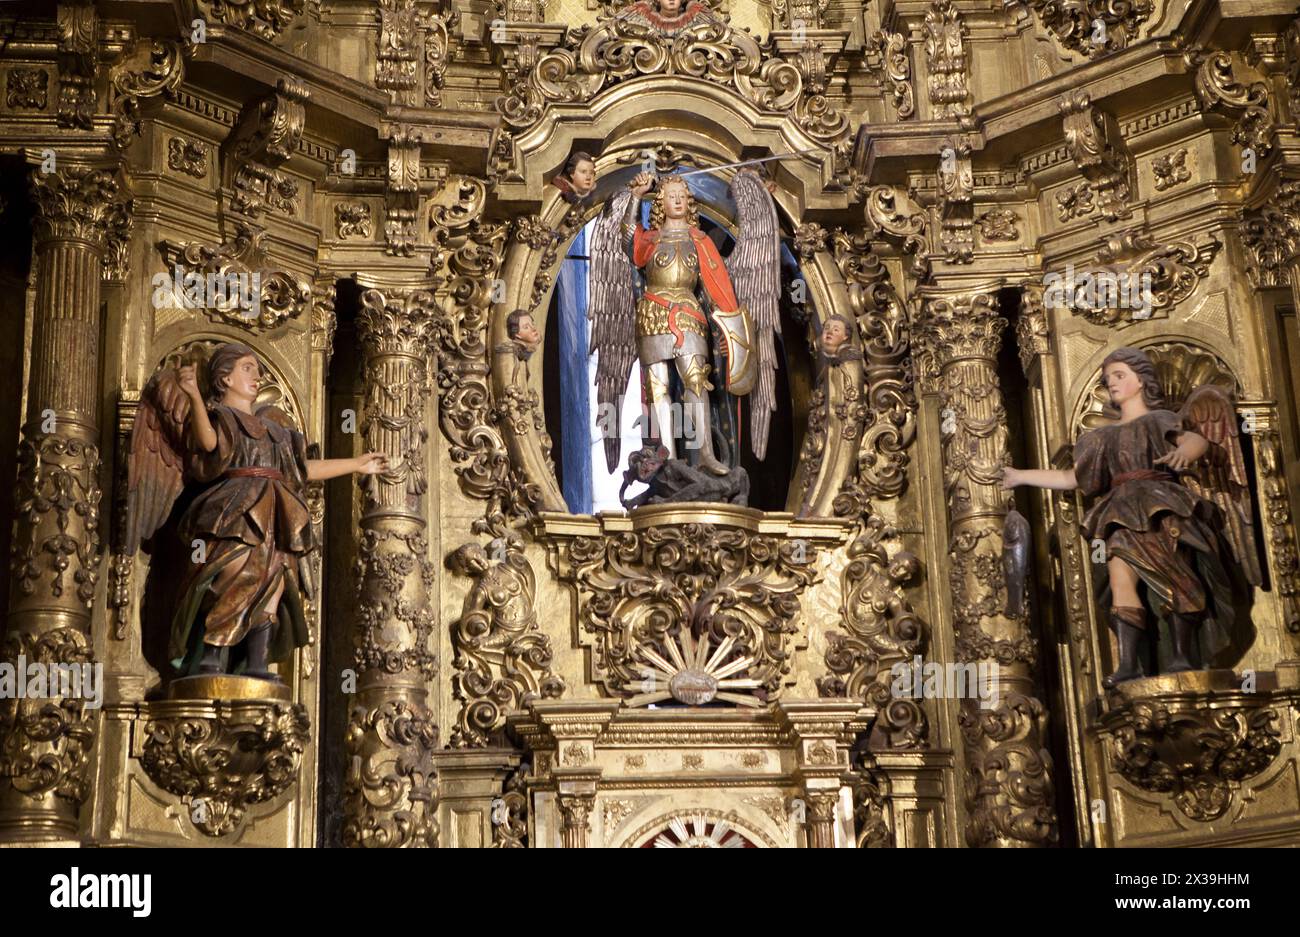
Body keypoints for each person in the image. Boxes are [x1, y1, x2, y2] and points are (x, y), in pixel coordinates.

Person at [1001, 346, 1246, 687]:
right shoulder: (1100, 437)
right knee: (1119, 582)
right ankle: (1129, 663)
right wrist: (1020, 476)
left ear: (1141, 381)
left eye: (1119, 376)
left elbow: (1195, 440)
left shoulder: (1159, 420)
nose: (1111, 383)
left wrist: (1182, 454)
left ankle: (1181, 655)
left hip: (1162, 508)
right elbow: (1071, 478)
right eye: (1107, 379)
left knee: (1177, 579)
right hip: (1117, 515)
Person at [171, 342, 387, 679]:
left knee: (273, 581)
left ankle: (257, 663)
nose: (257, 376)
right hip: (236, 509)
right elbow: (209, 443)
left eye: (257, 370)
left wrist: (357, 464)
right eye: (247, 368)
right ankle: (211, 654)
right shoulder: (222, 417)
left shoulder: (277, 432)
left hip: (277, 511)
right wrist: (194, 397)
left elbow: (303, 470)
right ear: (224, 378)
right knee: (232, 571)